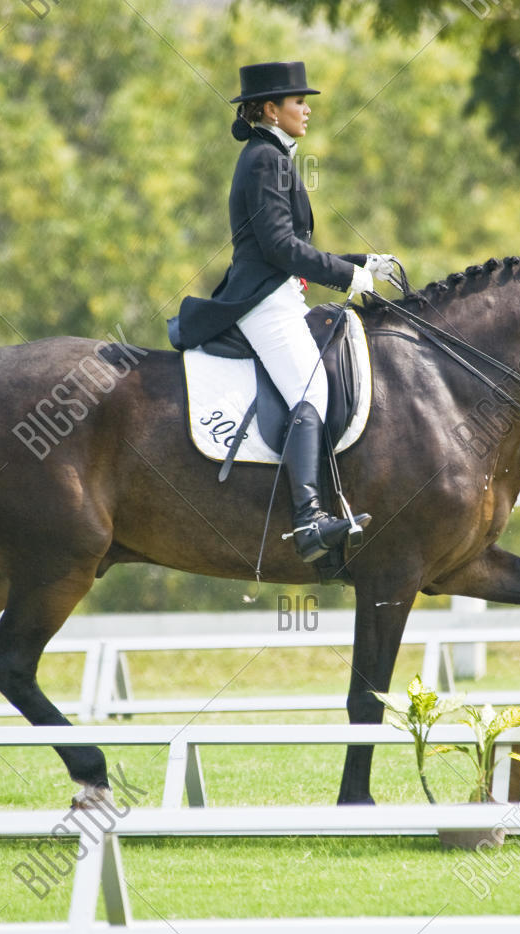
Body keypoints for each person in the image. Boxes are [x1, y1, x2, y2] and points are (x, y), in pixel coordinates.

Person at [173, 61, 400, 562]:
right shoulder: (264, 159)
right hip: (264, 300)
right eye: (299, 101)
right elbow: (278, 247)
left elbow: (289, 243)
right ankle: (308, 520)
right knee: (310, 389)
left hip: (279, 295)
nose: (308, 108)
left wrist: (360, 262)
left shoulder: (271, 155)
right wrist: (347, 277)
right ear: (271, 109)